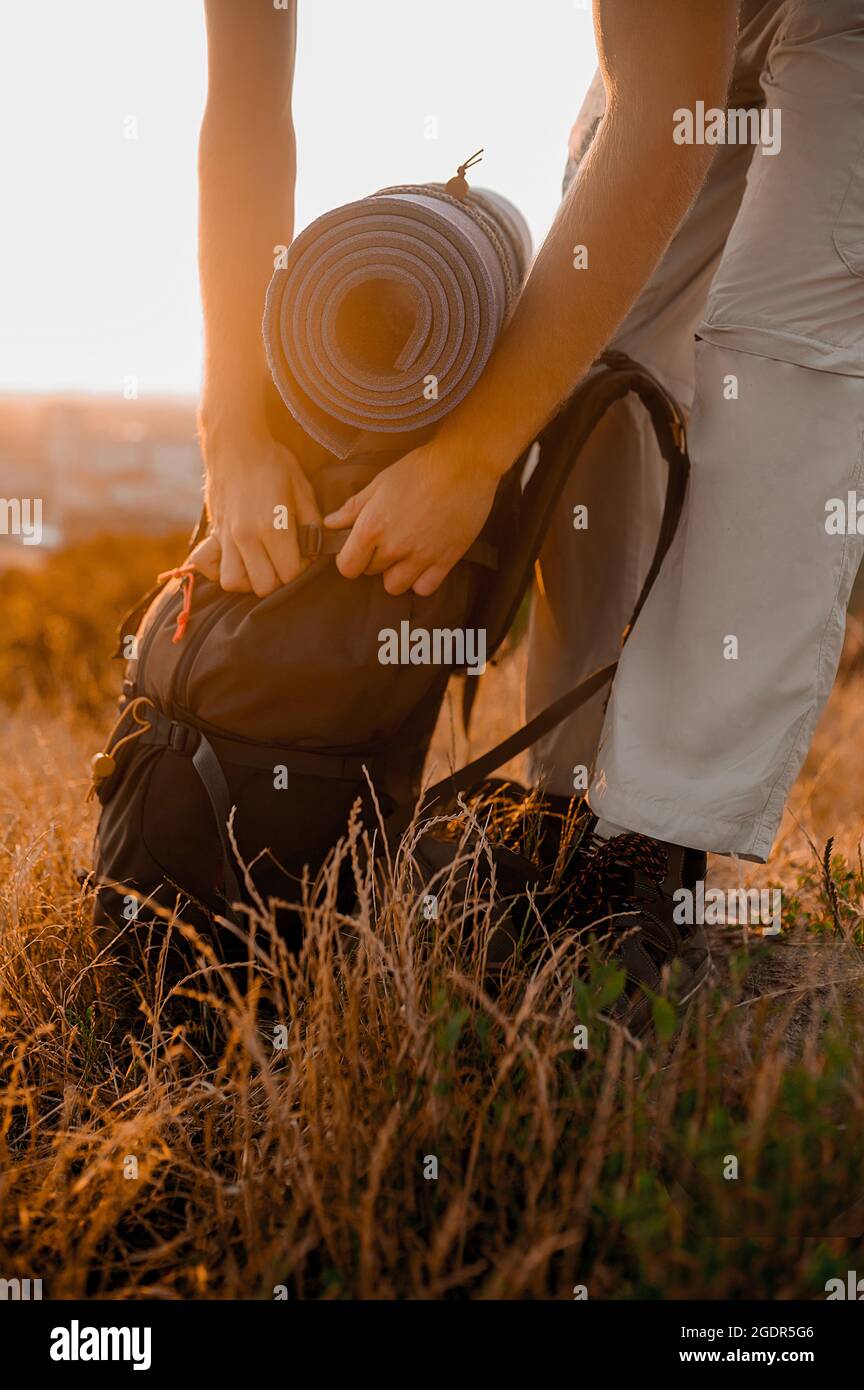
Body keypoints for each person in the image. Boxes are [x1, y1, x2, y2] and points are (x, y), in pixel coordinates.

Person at [197, 0, 864, 1021]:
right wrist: (233, 433)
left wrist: (467, 463)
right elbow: (245, 118)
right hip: (684, 39)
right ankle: (569, 808)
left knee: (774, 361)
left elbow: (666, 108)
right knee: (595, 367)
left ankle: (649, 850)